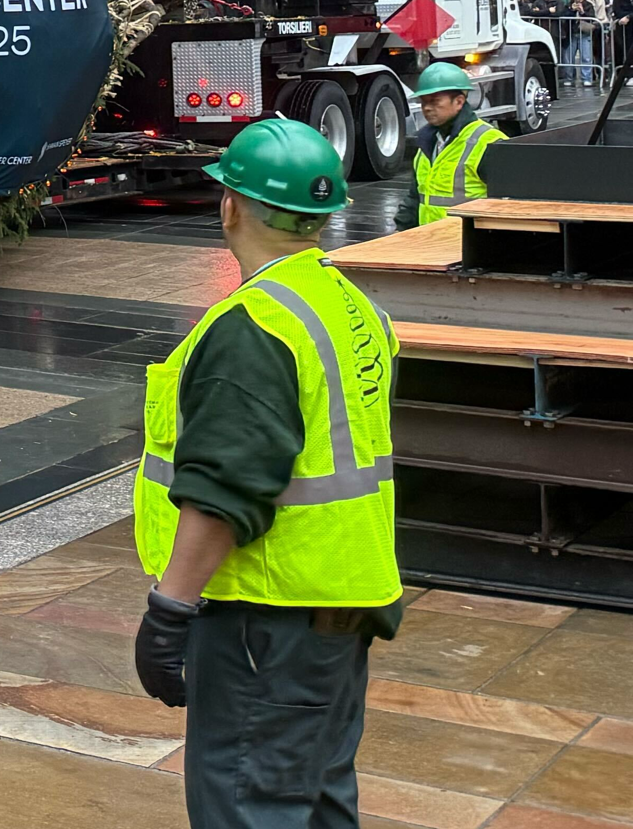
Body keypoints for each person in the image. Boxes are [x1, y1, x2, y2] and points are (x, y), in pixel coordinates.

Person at [133, 118, 401, 829]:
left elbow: (225, 488)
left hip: (264, 619)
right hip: (338, 604)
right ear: (322, 216)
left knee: (248, 804)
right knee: (317, 799)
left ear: (230, 206)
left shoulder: (256, 325)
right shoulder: (353, 307)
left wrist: (169, 610)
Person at [406, 62, 499, 227]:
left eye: (435, 101)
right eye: (423, 102)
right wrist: (402, 231)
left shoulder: (487, 141)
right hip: (431, 239)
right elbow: (415, 198)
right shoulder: (426, 143)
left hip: (470, 240)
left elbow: (506, 203)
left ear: (459, 102)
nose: (427, 108)